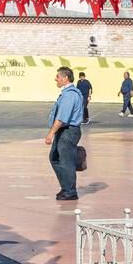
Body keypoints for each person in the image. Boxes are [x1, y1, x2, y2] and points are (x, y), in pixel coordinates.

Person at [45, 66, 85, 200]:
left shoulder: (69, 95)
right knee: (55, 158)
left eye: (57, 77)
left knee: (66, 161)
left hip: (68, 131)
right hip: (65, 131)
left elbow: (62, 118)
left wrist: (50, 134)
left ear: (65, 78)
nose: (55, 79)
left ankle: (70, 192)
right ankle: (66, 187)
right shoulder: (69, 93)